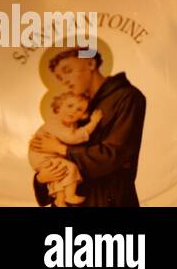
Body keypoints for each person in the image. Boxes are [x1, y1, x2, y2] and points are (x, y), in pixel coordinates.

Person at [29, 49, 146, 207]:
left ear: (90, 63)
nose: (64, 80)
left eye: (68, 71)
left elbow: (114, 156)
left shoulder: (126, 97)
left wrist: (61, 149)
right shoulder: (74, 107)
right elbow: (51, 159)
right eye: (59, 77)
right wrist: (41, 179)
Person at [28, 93, 103, 206]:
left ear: (83, 115)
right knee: (69, 168)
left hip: (46, 158)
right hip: (42, 157)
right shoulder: (55, 123)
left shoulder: (71, 124)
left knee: (61, 172)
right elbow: (73, 137)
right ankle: (69, 196)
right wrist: (93, 123)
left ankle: (60, 200)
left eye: (79, 109)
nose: (73, 111)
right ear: (59, 107)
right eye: (69, 106)